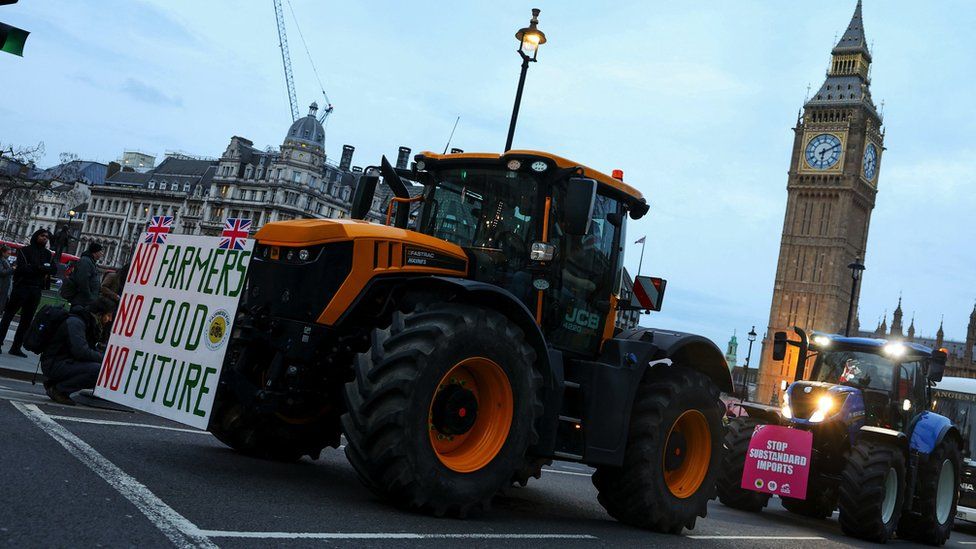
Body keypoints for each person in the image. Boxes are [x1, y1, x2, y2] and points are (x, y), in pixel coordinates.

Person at [40, 296, 115, 405]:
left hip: (62, 361)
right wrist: (105, 359)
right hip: (54, 364)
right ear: (99, 313)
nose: (110, 319)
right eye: (108, 315)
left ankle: (55, 383)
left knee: (100, 367)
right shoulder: (76, 322)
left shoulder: (88, 322)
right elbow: (81, 351)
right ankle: (59, 390)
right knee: (99, 371)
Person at [0, 229, 57, 357]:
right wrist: (42, 268)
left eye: (47, 237)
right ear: (37, 236)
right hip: (22, 287)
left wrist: (37, 267)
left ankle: (16, 347)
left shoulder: (48, 254)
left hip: (36, 289)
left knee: (27, 320)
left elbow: (53, 269)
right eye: (42, 236)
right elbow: (23, 268)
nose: (45, 238)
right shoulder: (25, 251)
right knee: (8, 316)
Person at [68, 242, 105, 307]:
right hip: (82, 300)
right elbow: (83, 280)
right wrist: (89, 296)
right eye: (101, 251)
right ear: (95, 252)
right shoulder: (85, 261)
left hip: (86, 300)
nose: (102, 254)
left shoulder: (91, 262)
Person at [0, 246, 13, 314]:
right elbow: (1, 272)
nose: (9, 255)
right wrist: (12, 269)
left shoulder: (5, 260)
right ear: (3, 253)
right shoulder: (1, 260)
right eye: (8, 253)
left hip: (4, 286)